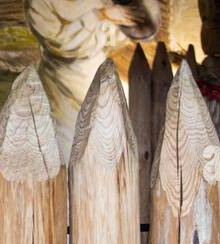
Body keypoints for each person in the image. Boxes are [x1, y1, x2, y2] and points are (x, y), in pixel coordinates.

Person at [26, 0, 159, 158]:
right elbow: (61, 43)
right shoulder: (38, 4)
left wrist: (129, 20)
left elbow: (110, 34)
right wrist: (100, 15)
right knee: (70, 143)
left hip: (97, 71)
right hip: (62, 81)